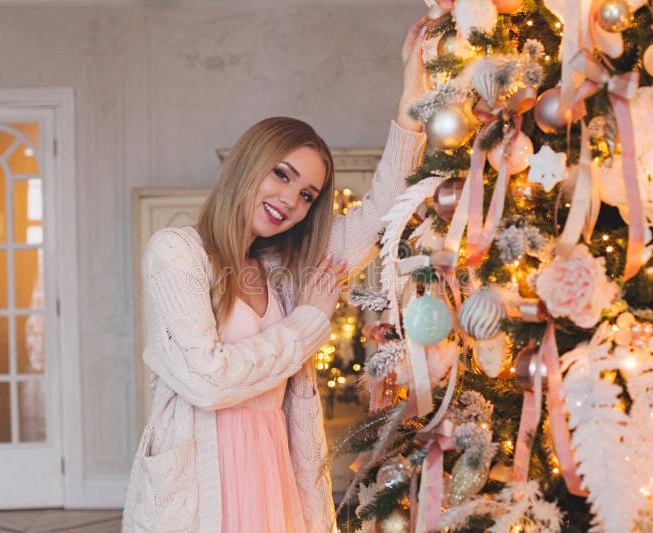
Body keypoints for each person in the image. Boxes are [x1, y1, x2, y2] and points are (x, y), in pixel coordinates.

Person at [122, 16, 429, 533]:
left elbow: (379, 214)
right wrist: (309, 321)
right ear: (248, 164)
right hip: (206, 482)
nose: (290, 200)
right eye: (281, 174)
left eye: (307, 195)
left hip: (275, 467)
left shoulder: (283, 269)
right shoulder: (176, 253)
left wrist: (410, 106)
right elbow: (208, 380)